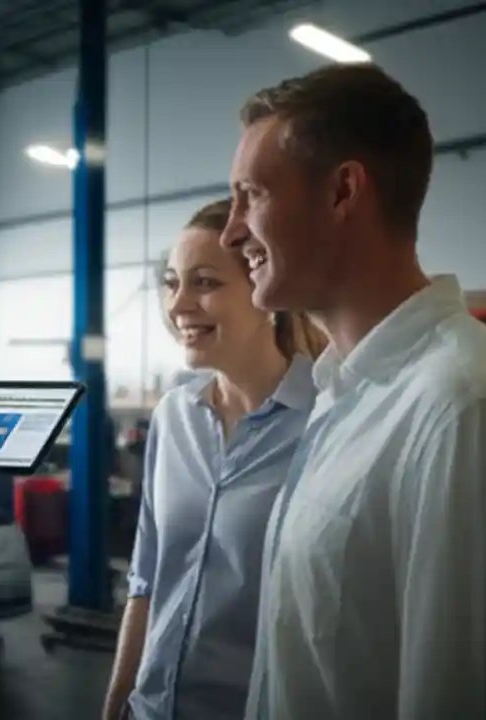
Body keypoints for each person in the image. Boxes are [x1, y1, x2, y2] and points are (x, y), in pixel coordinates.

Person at [219, 63, 486, 720]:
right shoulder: (346, 393)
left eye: (251, 195)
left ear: (343, 190)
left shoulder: (464, 409)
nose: (232, 231)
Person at [101, 198, 326, 720]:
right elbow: (147, 577)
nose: (179, 304)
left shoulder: (327, 422)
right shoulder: (173, 416)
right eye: (172, 282)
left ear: (267, 291)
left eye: (205, 282)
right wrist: (116, 704)